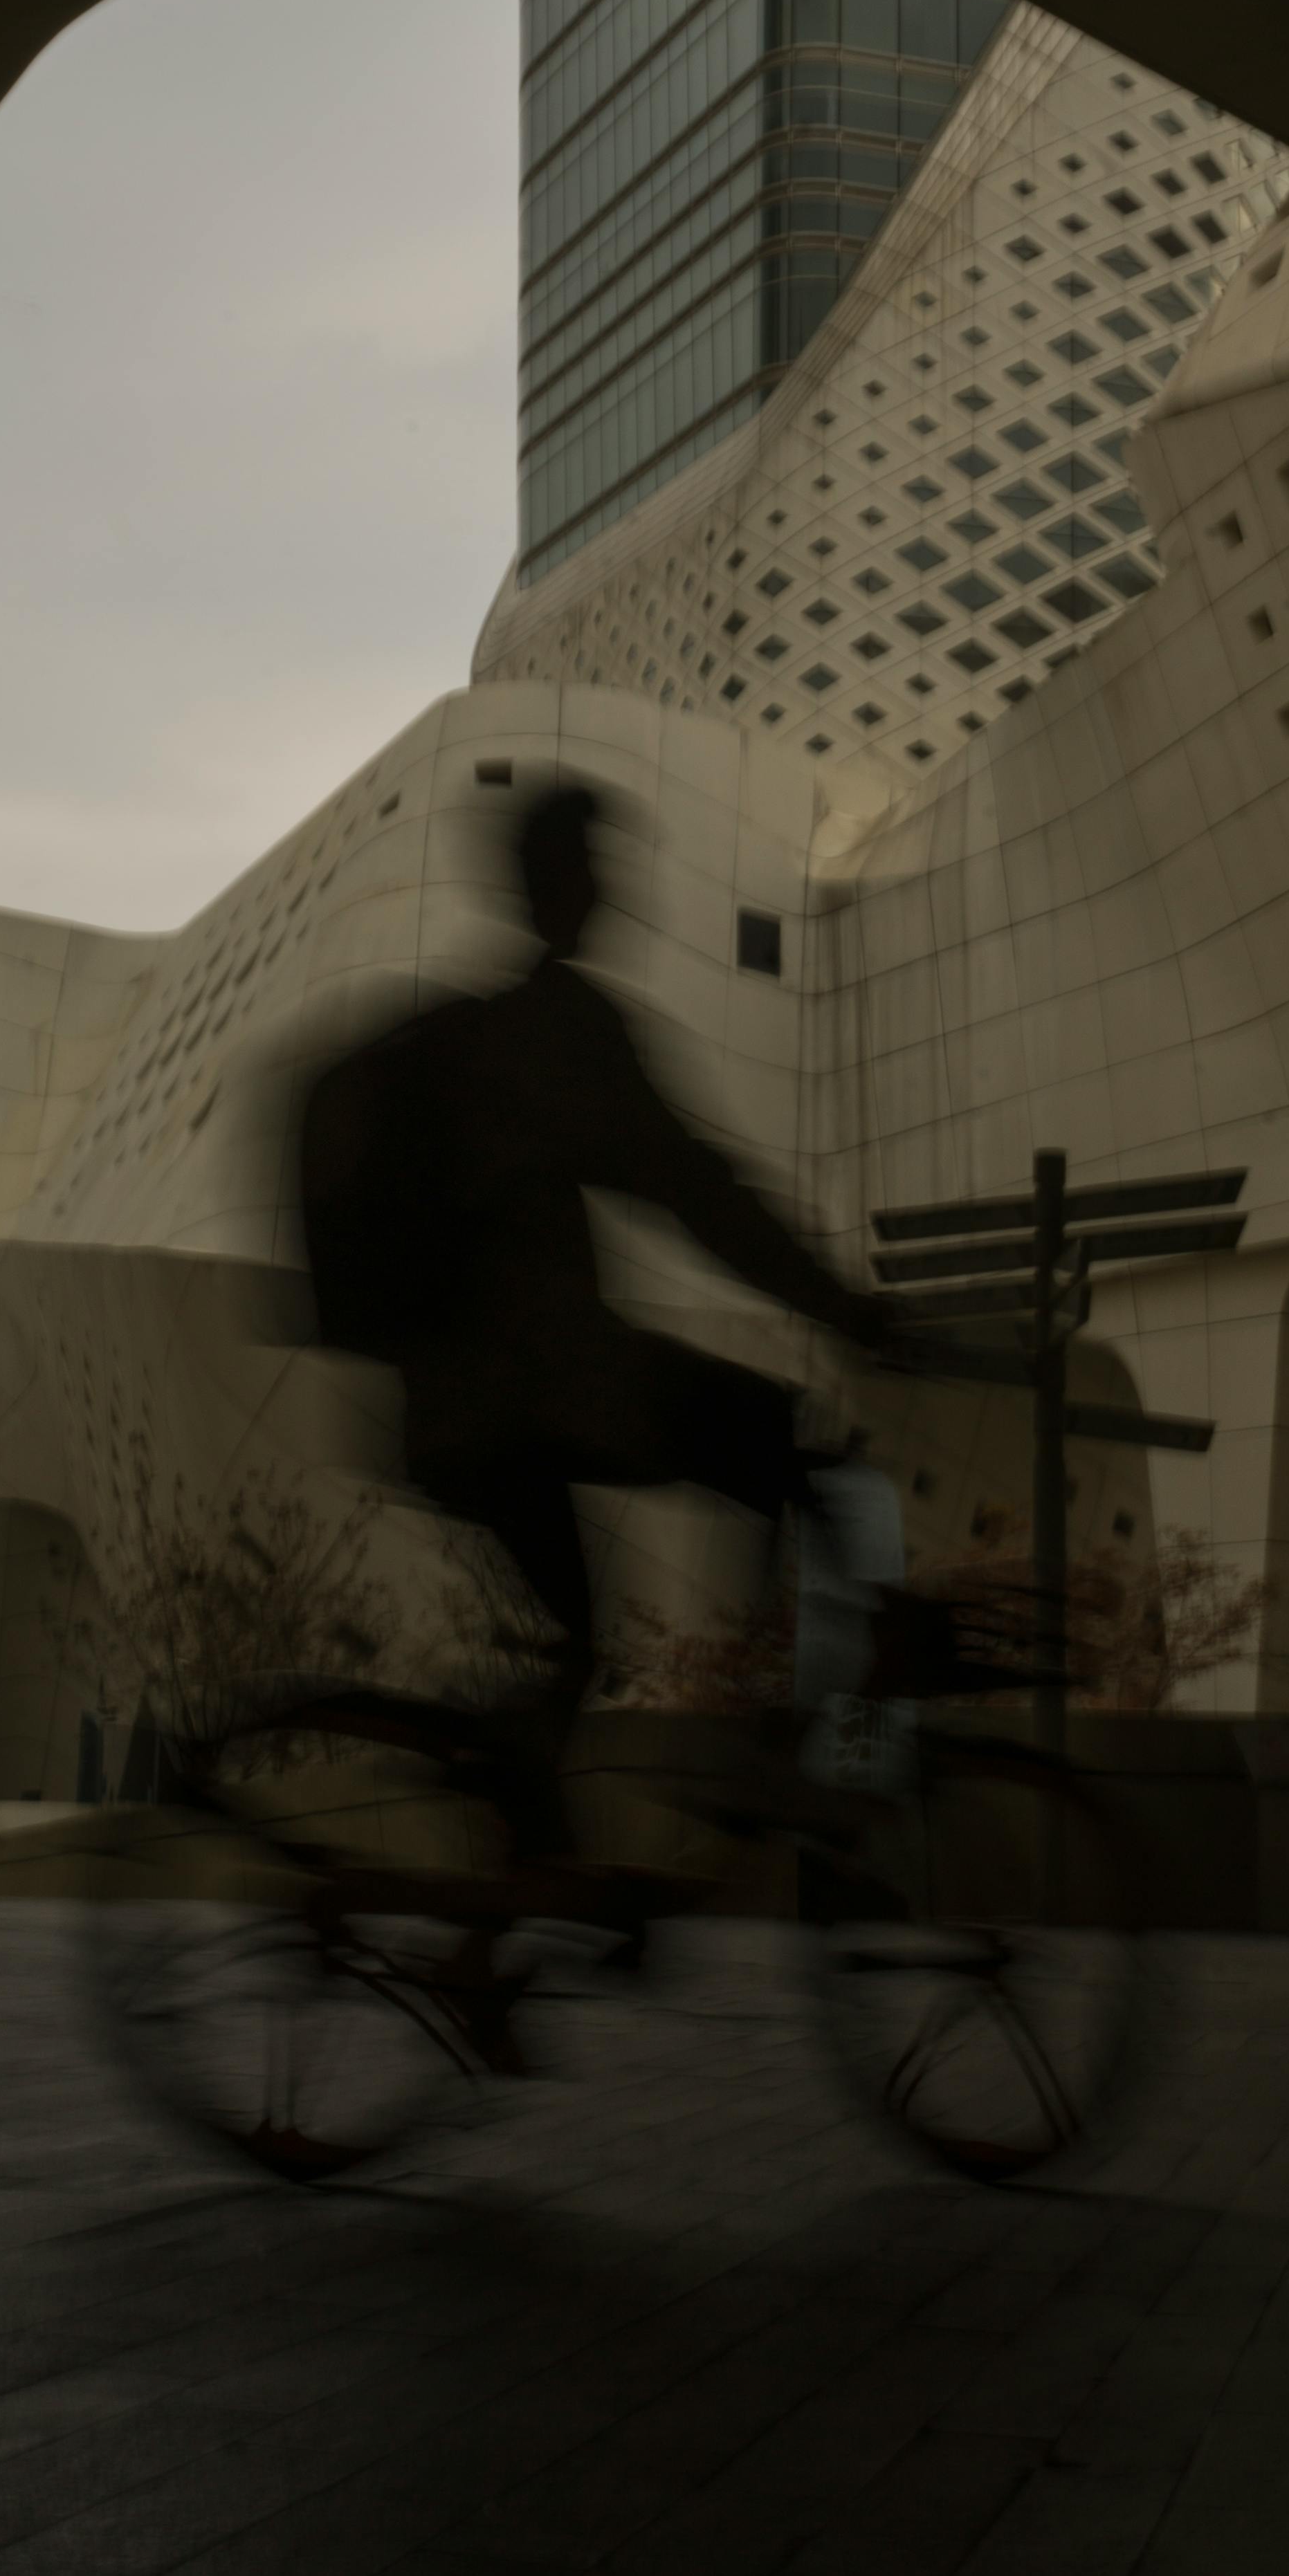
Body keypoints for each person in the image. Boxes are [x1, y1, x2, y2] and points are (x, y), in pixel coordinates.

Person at [295, 779, 913, 1872]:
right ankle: (759, 1750)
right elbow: (697, 1191)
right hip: (552, 1392)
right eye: (596, 869)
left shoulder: (477, 1044)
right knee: (807, 1462)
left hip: (449, 1414)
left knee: (577, 1652)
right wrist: (843, 1309)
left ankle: (519, 1889)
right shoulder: (558, 1034)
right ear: (564, 883)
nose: (610, 892)